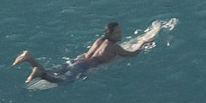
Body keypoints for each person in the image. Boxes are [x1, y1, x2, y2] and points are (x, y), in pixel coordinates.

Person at [14, 20, 143, 85]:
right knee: (62, 82)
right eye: (118, 33)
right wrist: (143, 44)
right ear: (110, 34)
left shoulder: (100, 40)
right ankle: (39, 75)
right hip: (82, 67)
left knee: (50, 71)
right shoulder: (114, 47)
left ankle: (30, 59)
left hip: (76, 61)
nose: (120, 35)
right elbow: (131, 54)